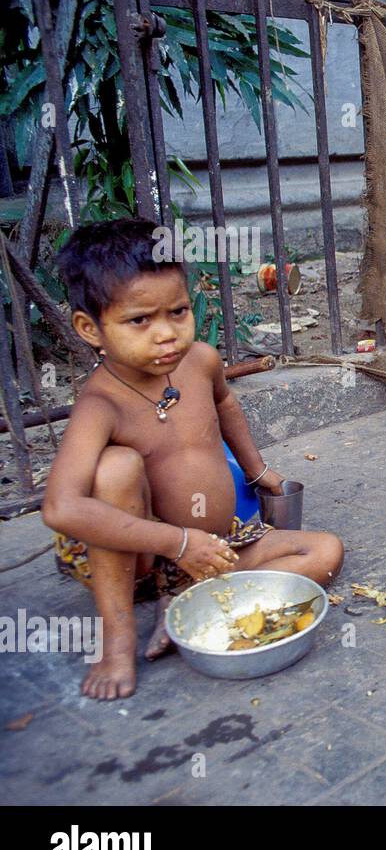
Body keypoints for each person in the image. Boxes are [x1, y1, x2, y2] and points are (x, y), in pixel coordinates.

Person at [41, 219, 344, 701]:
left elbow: (225, 406)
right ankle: (118, 639)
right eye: (139, 321)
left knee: (326, 552)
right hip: (140, 551)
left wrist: (258, 471)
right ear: (89, 328)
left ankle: (188, 597)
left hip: (216, 545)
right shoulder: (101, 404)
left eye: (178, 312)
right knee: (115, 468)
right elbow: (62, 508)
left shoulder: (200, 360)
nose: (166, 335)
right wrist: (178, 541)